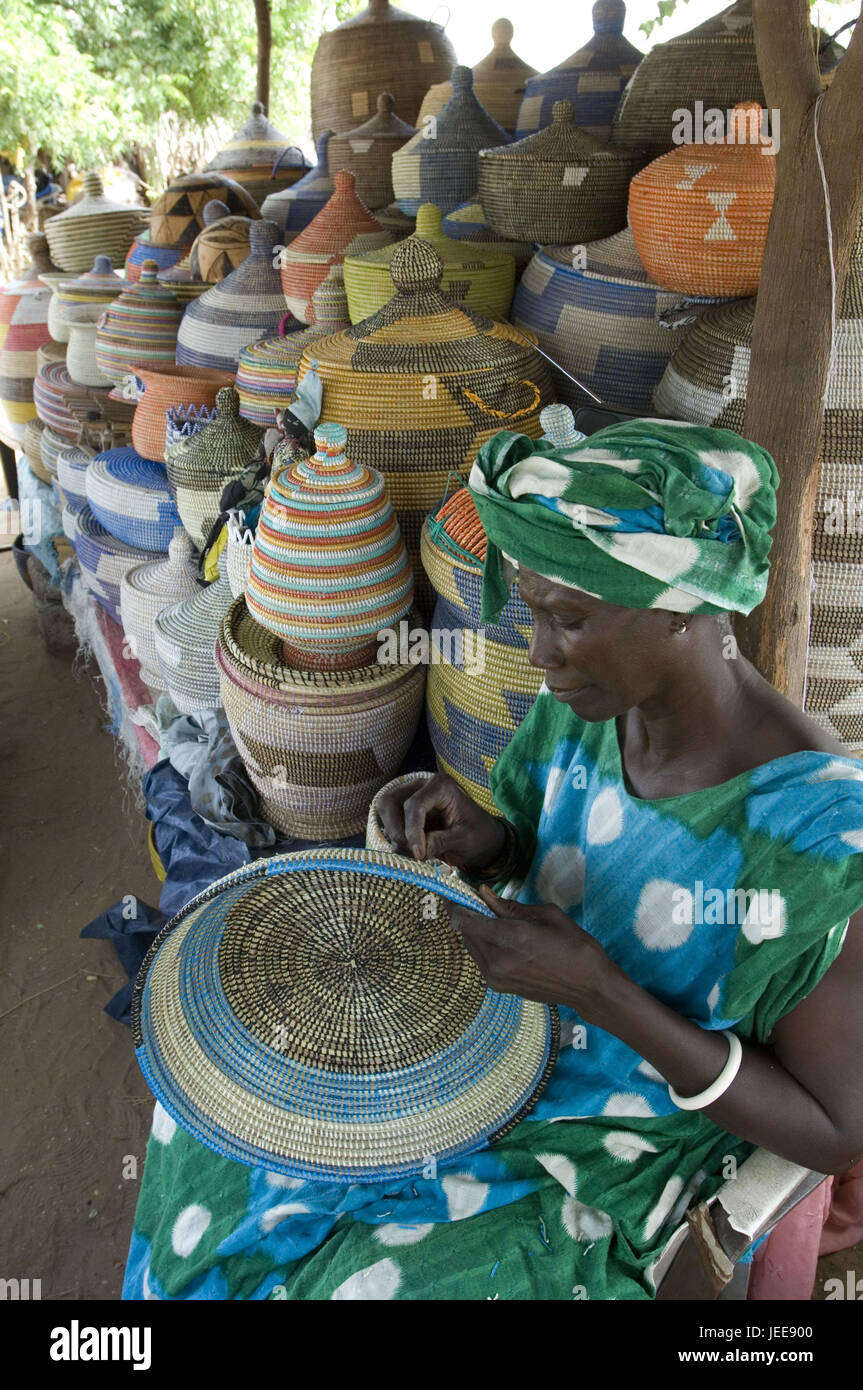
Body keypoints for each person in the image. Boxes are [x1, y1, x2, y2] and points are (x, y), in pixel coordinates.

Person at [123, 420, 863, 1301]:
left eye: (569, 620)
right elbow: (546, 840)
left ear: (679, 605)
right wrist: (488, 838)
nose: (538, 653)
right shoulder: (590, 707)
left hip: (607, 1133)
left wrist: (602, 994)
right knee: (207, 1124)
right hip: (487, 1036)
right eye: (530, 611)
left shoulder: (822, 840)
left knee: (371, 1286)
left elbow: (831, 1130)